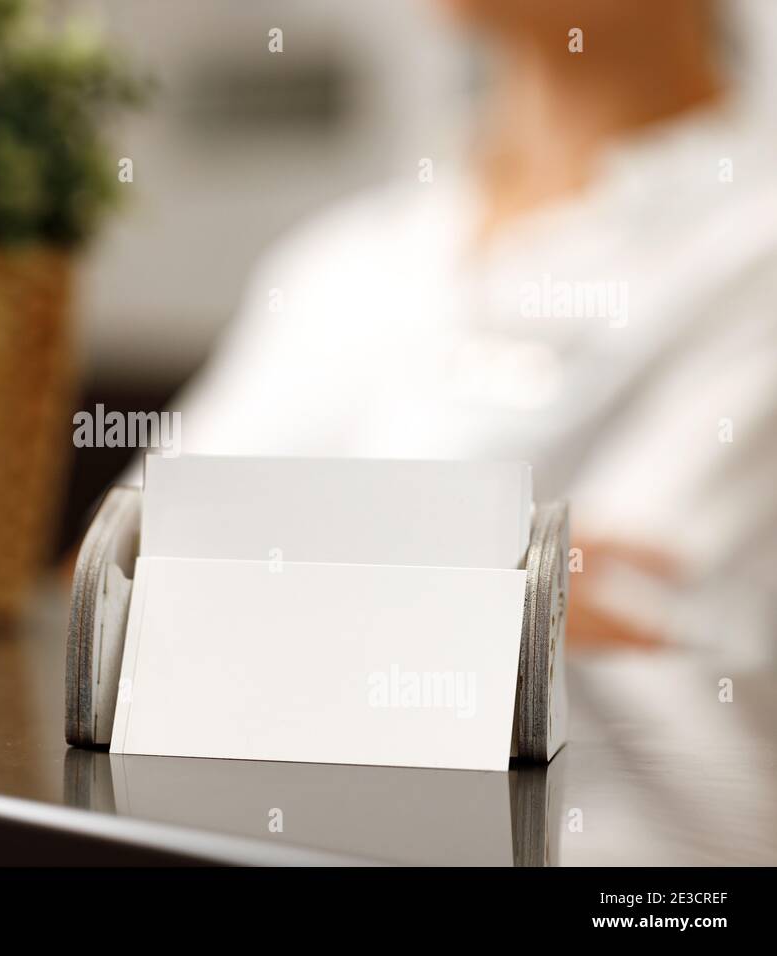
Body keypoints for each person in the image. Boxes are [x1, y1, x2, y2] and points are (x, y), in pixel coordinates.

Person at [149, 0, 777, 660]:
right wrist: (466, 576)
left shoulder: (753, 252)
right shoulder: (344, 260)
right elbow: (117, 575)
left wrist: (243, 563)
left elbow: (610, 627)